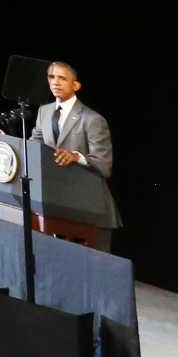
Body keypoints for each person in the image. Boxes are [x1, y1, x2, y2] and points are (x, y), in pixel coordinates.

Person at [31, 58, 115, 248]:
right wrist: (2, 139)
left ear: (76, 85)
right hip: (57, 206)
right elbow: (34, 149)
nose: (55, 82)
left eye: (62, 78)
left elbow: (104, 165)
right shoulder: (44, 112)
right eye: (51, 77)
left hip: (91, 208)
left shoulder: (93, 119)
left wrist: (77, 156)